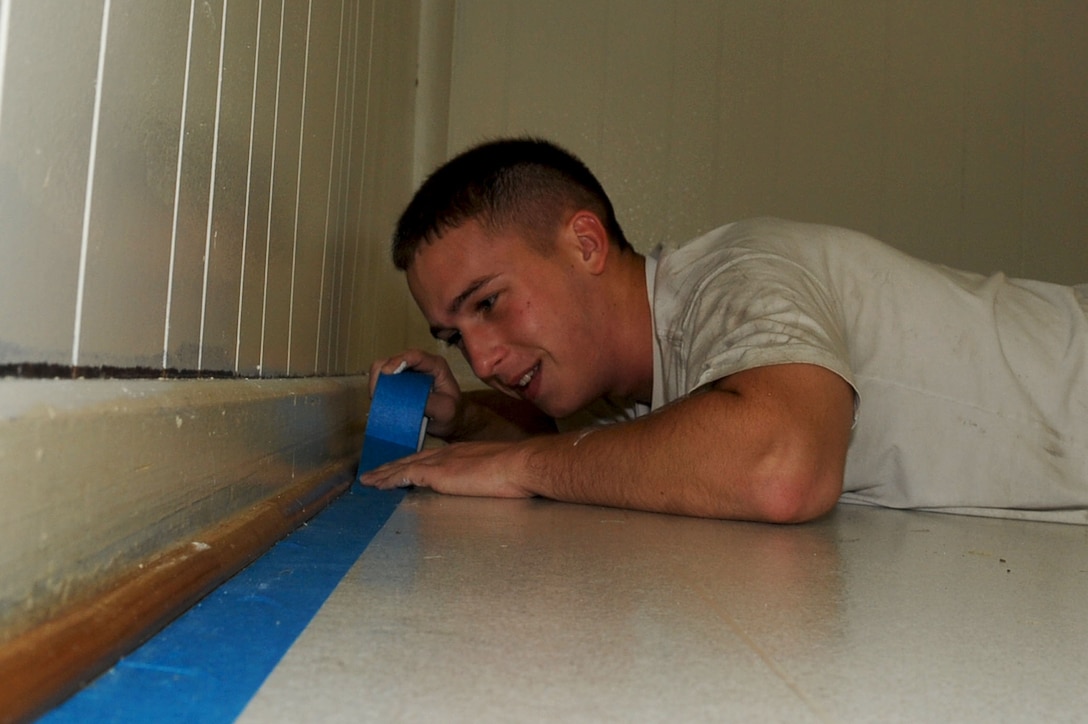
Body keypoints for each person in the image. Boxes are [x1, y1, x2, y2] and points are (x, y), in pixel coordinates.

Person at [360, 138, 1088, 525]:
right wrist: (466, 423)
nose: (482, 355)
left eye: (487, 303)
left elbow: (779, 469)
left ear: (585, 245)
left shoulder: (737, 272)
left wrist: (516, 468)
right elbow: (611, 453)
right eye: (455, 335)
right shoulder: (639, 385)